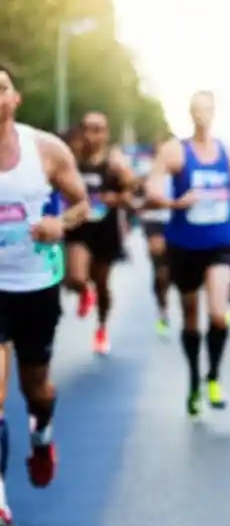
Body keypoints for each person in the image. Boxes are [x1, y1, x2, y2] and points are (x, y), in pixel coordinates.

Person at [0, 61, 90, 526]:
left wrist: (62, 224)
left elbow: (82, 205)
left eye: (2, 89)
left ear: (15, 99)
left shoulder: (46, 150)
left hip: (35, 284)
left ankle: (41, 434)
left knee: (38, 391)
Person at [147, 90, 230, 419]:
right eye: (197, 110)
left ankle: (213, 376)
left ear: (214, 112)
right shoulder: (176, 151)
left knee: (218, 314)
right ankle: (193, 383)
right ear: (190, 113)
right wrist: (173, 202)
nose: (202, 116)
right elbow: (153, 186)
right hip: (184, 246)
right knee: (190, 319)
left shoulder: (228, 151)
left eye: (207, 110)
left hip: (220, 243)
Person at [63, 111, 135, 355]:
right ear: (81, 131)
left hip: (106, 229)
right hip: (80, 228)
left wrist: (115, 196)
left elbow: (131, 194)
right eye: (88, 128)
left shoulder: (114, 164)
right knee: (75, 278)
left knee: (103, 283)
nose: (93, 135)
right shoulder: (71, 160)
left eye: (99, 129)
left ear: (106, 134)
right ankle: (84, 290)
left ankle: (101, 327)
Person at [139, 133, 176, 337]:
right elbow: (138, 195)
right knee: (160, 267)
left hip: (175, 221)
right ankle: (162, 308)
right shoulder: (148, 170)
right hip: (154, 221)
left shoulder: (181, 170)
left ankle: (166, 299)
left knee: (169, 271)